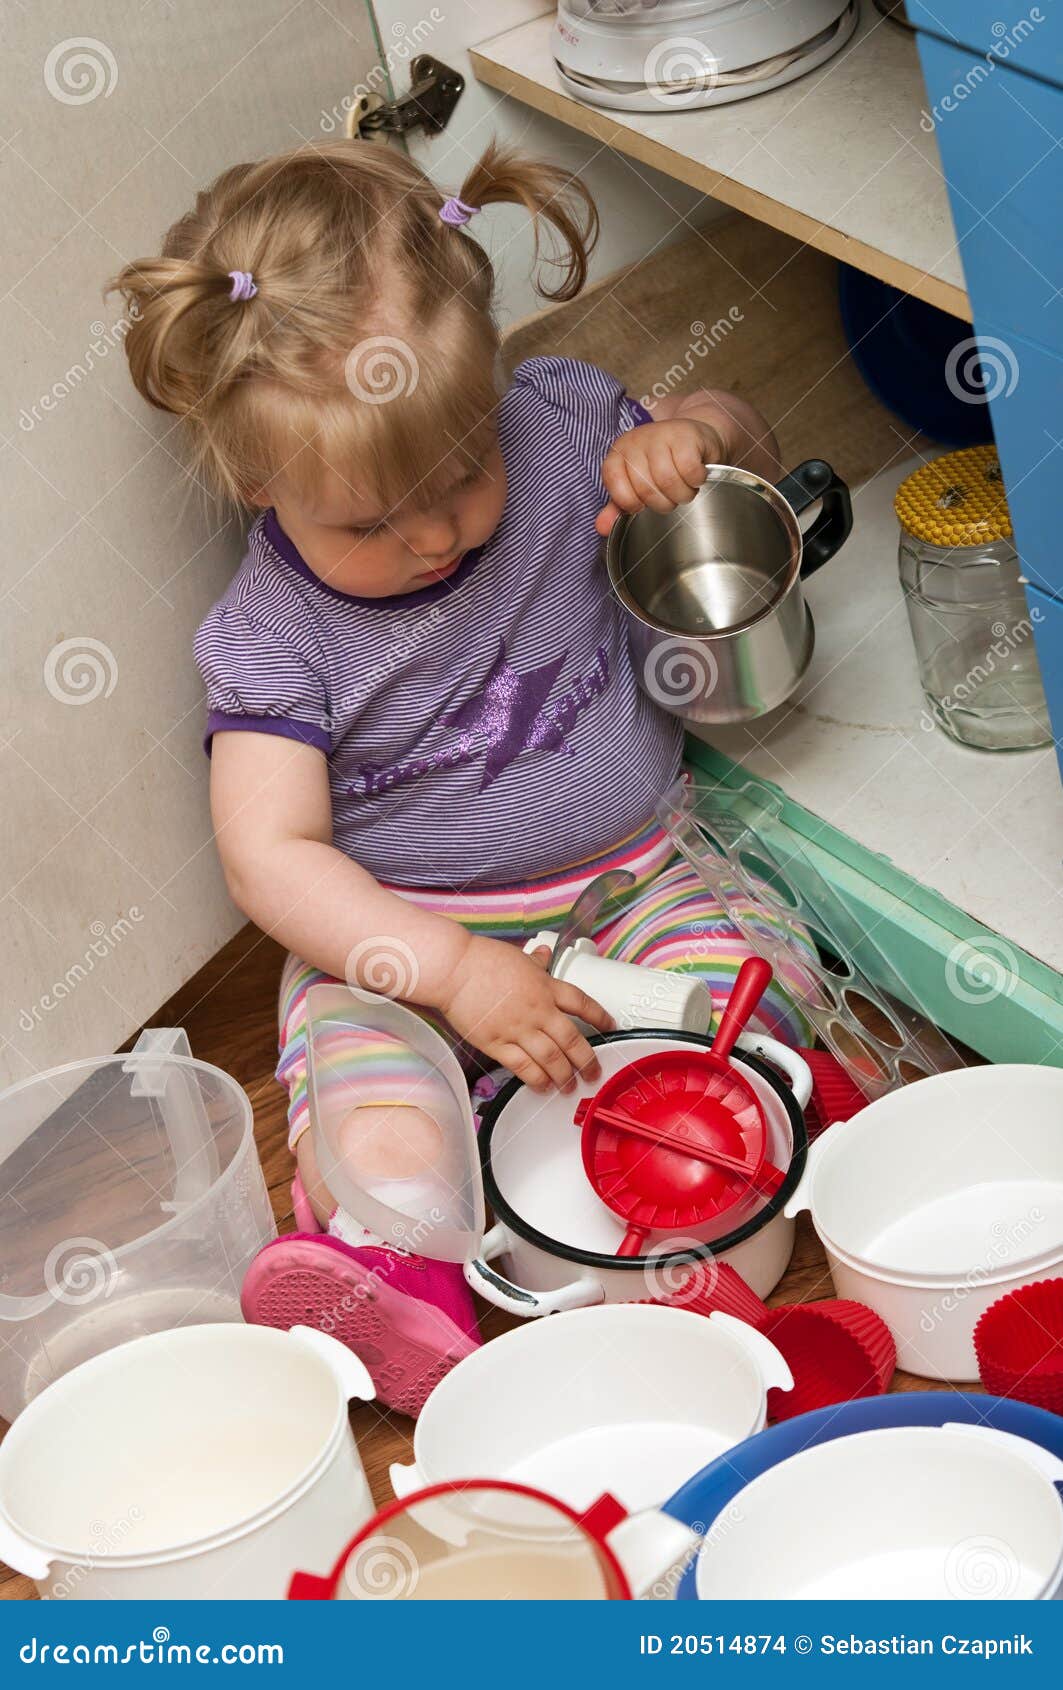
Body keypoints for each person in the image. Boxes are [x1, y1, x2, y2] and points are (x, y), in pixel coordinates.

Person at [113, 138, 808, 1414]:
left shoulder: (560, 420)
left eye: (464, 473)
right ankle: (401, 1277)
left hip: (630, 882)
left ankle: (681, 1231)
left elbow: (747, 448)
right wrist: (447, 973)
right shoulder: (271, 635)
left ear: (492, 384)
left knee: (736, 1011)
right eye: (373, 521)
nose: (434, 533)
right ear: (259, 481)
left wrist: (698, 436)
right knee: (381, 1131)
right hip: (399, 945)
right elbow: (270, 855)